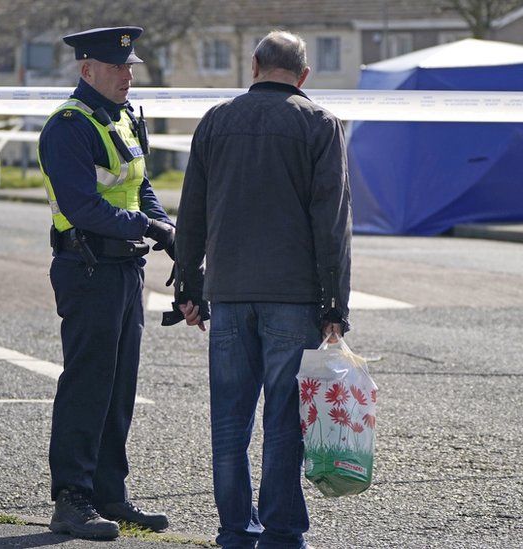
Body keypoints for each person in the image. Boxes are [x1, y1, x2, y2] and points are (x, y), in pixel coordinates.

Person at [171, 30, 352, 549]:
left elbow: (193, 210)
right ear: (304, 74)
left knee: (229, 422)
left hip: (228, 293)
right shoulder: (320, 124)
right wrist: (335, 303)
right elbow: (332, 222)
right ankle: (282, 532)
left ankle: (234, 529)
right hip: (293, 296)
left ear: (253, 66)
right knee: (283, 422)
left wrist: (188, 285)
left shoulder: (215, 121)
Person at [37, 26, 174, 541]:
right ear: (87, 69)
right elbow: (83, 207)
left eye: (129, 66)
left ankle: (109, 493)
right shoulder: (69, 126)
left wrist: (169, 228)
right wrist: (150, 227)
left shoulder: (123, 116)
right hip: (88, 267)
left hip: (125, 269)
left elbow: (141, 185)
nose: (127, 75)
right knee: (88, 384)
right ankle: (71, 499)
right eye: (117, 67)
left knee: (119, 386)